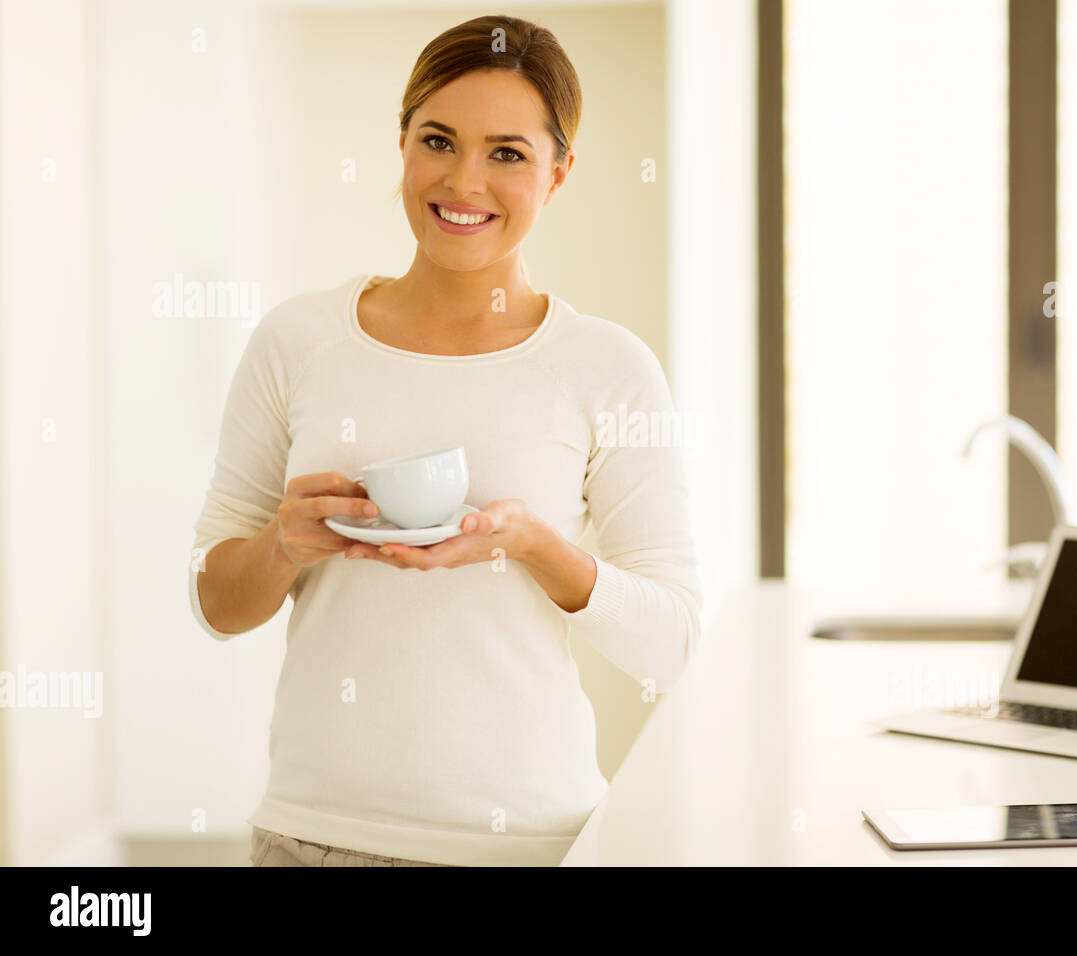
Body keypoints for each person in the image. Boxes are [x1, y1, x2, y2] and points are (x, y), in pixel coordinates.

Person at [188, 13, 701, 867]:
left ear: (559, 172)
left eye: (508, 153)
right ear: (401, 144)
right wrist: (282, 545)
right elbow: (214, 600)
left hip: (531, 845)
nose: (465, 182)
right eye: (439, 140)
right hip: (315, 837)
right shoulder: (298, 339)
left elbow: (672, 643)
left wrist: (536, 546)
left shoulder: (607, 367)